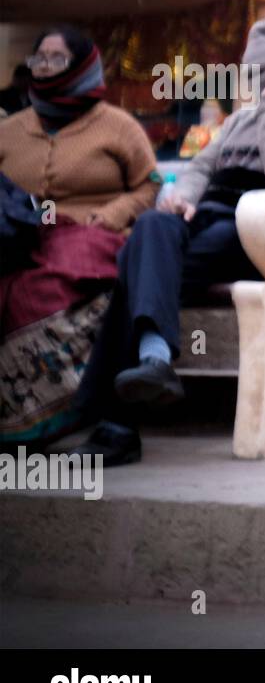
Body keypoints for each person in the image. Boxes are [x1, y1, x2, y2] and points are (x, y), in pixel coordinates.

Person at [70, 16, 265, 466]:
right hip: (211, 224)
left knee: (135, 267)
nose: (262, 86)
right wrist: (182, 197)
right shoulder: (236, 125)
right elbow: (200, 167)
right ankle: (154, 357)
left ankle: (111, 421)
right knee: (150, 230)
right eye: (255, 77)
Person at [0, 27, 158, 448]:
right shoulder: (10, 129)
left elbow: (150, 185)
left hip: (94, 233)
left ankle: (45, 419)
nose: (46, 66)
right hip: (21, 234)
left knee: (39, 290)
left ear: (84, 67)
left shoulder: (118, 126)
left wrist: (110, 215)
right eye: (40, 58)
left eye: (58, 59)